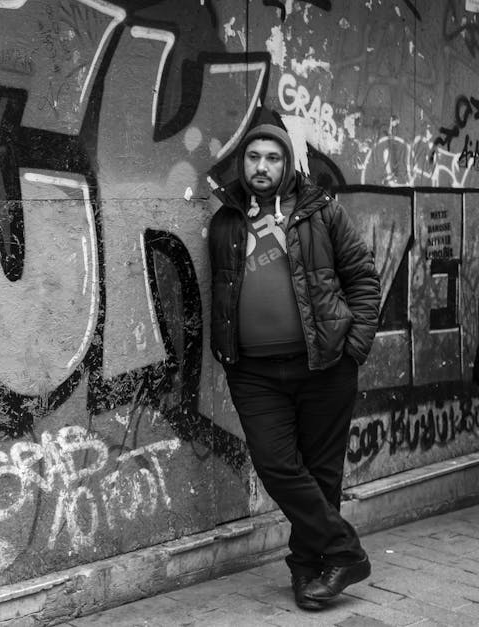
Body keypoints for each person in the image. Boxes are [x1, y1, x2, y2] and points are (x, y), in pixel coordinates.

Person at [208, 123, 380, 611]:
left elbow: (364, 279)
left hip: (325, 365)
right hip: (254, 372)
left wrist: (355, 348)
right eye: (253, 157)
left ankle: (309, 569)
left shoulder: (321, 212)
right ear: (242, 164)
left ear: (288, 164)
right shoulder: (226, 221)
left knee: (322, 474)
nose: (261, 167)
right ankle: (346, 552)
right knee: (277, 465)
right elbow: (222, 292)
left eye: (273, 158)